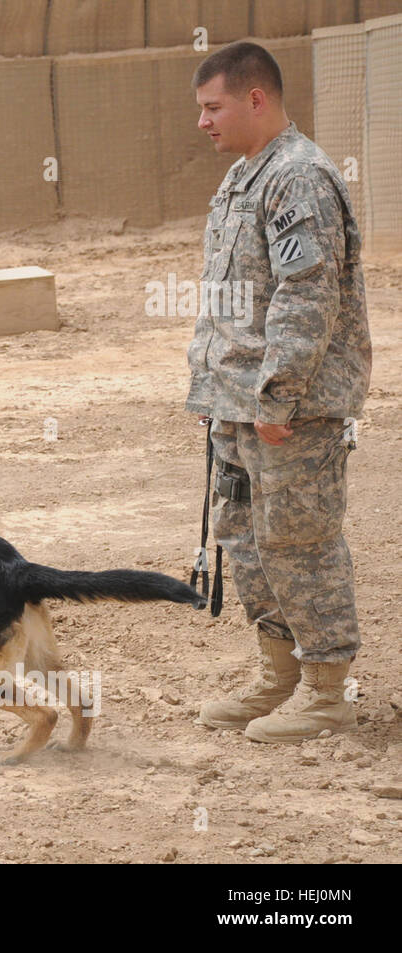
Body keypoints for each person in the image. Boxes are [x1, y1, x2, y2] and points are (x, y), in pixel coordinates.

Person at [186, 43, 370, 743]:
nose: (203, 122)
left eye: (212, 107)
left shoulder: (298, 177)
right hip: (236, 405)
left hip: (290, 411)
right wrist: (211, 387)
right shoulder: (244, 178)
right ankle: (280, 674)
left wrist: (279, 396)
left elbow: (306, 295)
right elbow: (231, 299)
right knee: (248, 540)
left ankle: (328, 691)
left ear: (254, 99)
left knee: (300, 540)